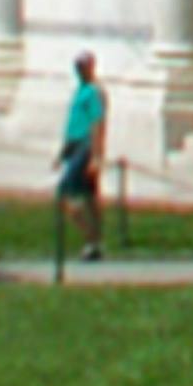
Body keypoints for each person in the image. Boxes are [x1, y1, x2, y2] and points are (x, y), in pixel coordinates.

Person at [54, 53, 109, 261]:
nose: (79, 70)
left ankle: (91, 239)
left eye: (82, 66)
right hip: (74, 145)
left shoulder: (94, 92)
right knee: (88, 197)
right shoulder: (80, 91)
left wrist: (96, 155)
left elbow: (97, 124)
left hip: (85, 147)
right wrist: (62, 152)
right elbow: (73, 123)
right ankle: (93, 243)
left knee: (69, 196)